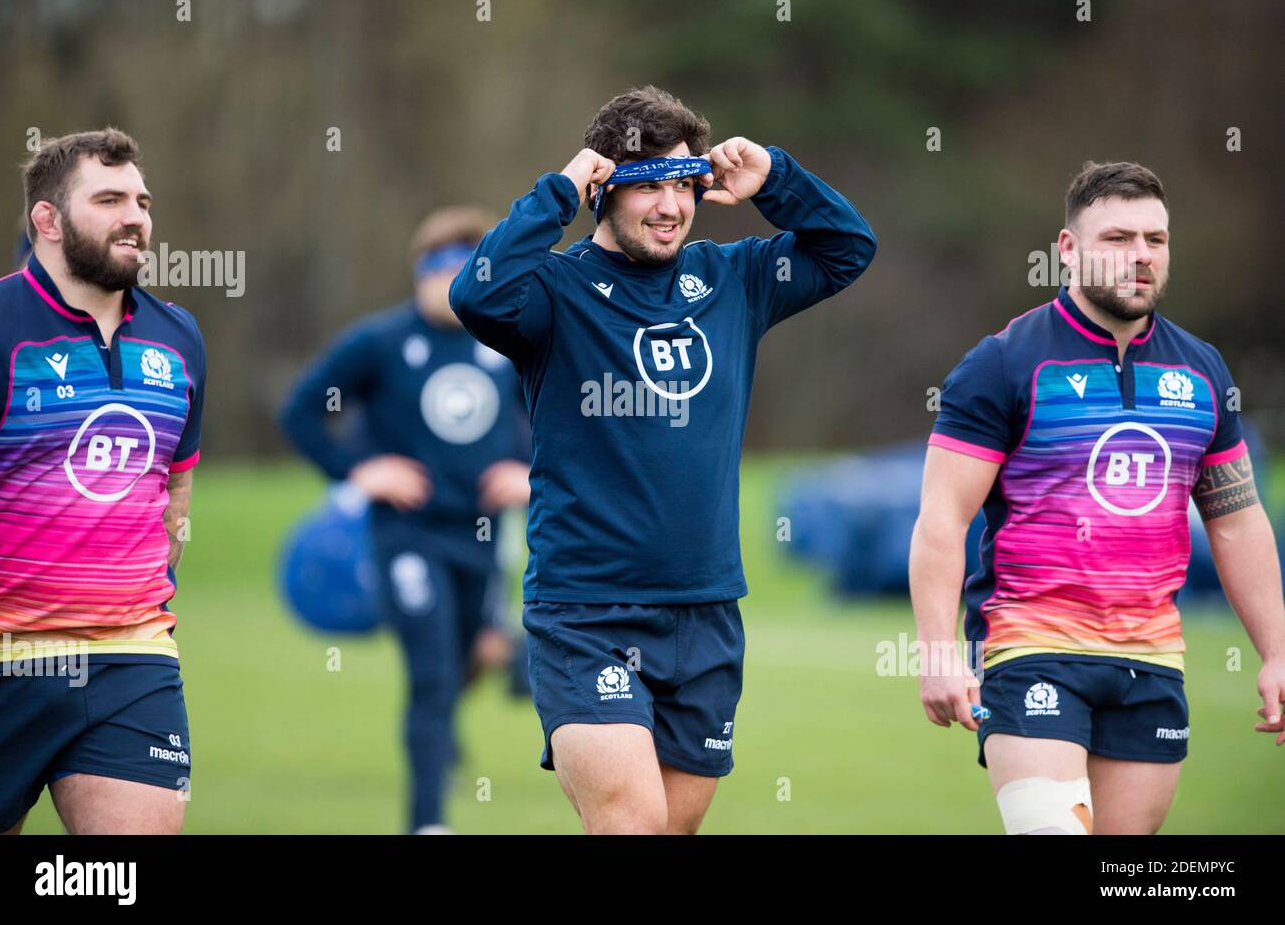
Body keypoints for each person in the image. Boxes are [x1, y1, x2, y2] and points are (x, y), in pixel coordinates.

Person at [450, 85, 877, 834]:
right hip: (586, 611)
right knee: (632, 820)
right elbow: (476, 295)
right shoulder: (555, 290)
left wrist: (774, 176)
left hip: (705, 613)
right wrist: (555, 194)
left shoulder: (733, 278)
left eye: (682, 184)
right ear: (603, 190)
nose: (669, 204)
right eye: (645, 184)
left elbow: (848, 248)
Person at [909, 160, 1285, 834]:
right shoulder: (1003, 362)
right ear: (1068, 249)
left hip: (1152, 660)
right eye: (1117, 238)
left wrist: (1279, 650)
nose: (1140, 256)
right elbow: (943, 518)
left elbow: (1236, 520)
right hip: (1029, 647)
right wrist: (937, 653)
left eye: (1155, 240)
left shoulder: (1202, 371)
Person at [279, 206, 530, 834]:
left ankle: (451, 729)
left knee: (470, 656)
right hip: (408, 535)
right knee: (432, 671)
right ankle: (428, 823)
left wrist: (530, 474)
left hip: (481, 539)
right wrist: (357, 473)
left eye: (468, 269)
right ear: (420, 274)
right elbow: (303, 410)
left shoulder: (511, 343)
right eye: (440, 269)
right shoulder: (380, 342)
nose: (452, 283)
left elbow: (558, 424)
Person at [0, 128, 206, 834]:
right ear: (46, 221)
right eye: (108, 199)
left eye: (140, 200)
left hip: (129, 660)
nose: (134, 216)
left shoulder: (178, 338)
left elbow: (175, 495)